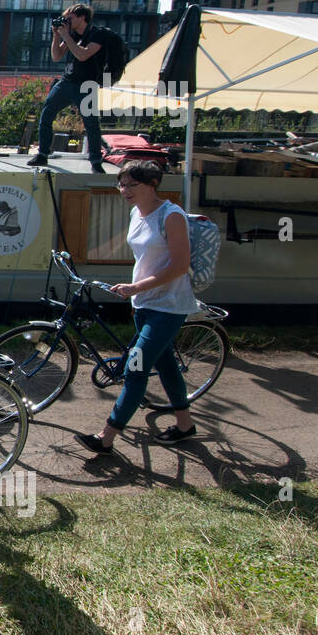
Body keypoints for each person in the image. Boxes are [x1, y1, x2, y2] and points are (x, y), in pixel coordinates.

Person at [75, 160, 200, 454]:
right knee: (166, 364)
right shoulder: (136, 213)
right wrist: (137, 296)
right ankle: (185, 425)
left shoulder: (171, 215)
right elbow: (146, 260)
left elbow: (180, 266)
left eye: (133, 184)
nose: (125, 190)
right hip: (144, 302)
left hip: (169, 305)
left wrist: (137, 288)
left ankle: (106, 437)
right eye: (122, 183)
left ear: (152, 183)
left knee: (135, 368)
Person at [27, 3, 107, 174]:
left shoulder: (97, 35)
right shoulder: (71, 35)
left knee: (91, 124)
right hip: (67, 81)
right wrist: (57, 36)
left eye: (69, 18)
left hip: (87, 85)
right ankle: (43, 153)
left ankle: (95, 161)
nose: (66, 22)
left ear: (81, 18)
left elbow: (82, 54)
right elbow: (56, 56)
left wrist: (67, 36)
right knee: (47, 114)